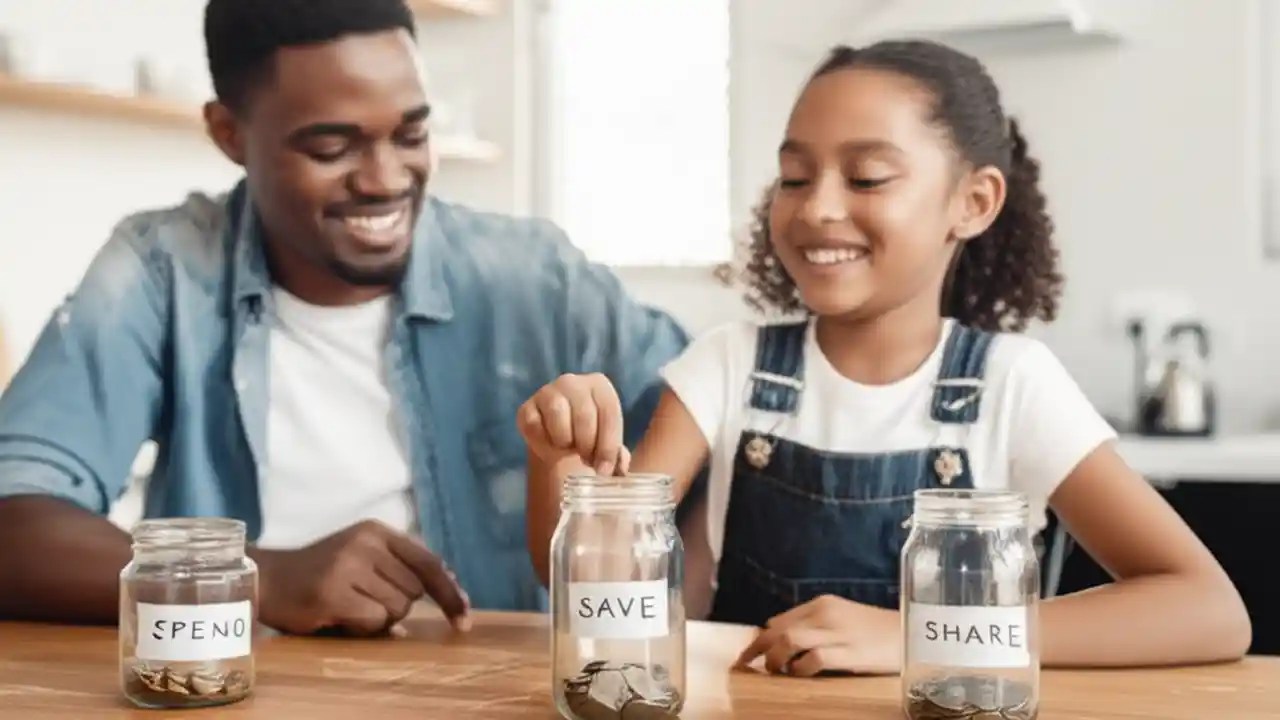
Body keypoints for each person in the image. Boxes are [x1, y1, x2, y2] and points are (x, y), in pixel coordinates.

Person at [519, 40, 1251, 675]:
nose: (816, 209)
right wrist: (559, 465)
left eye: (866, 177)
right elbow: (599, 584)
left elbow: (1208, 609)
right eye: (795, 177)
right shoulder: (725, 365)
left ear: (973, 202)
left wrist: (916, 636)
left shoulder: (1011, 384)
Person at [0, 0, 686, 636]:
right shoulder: (163, 272)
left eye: (413, 133)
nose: (386, 179)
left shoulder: (533, 276)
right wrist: (258, 578)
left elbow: (726, 414)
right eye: (332, 149)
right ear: (229, 133)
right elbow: (13, 523)